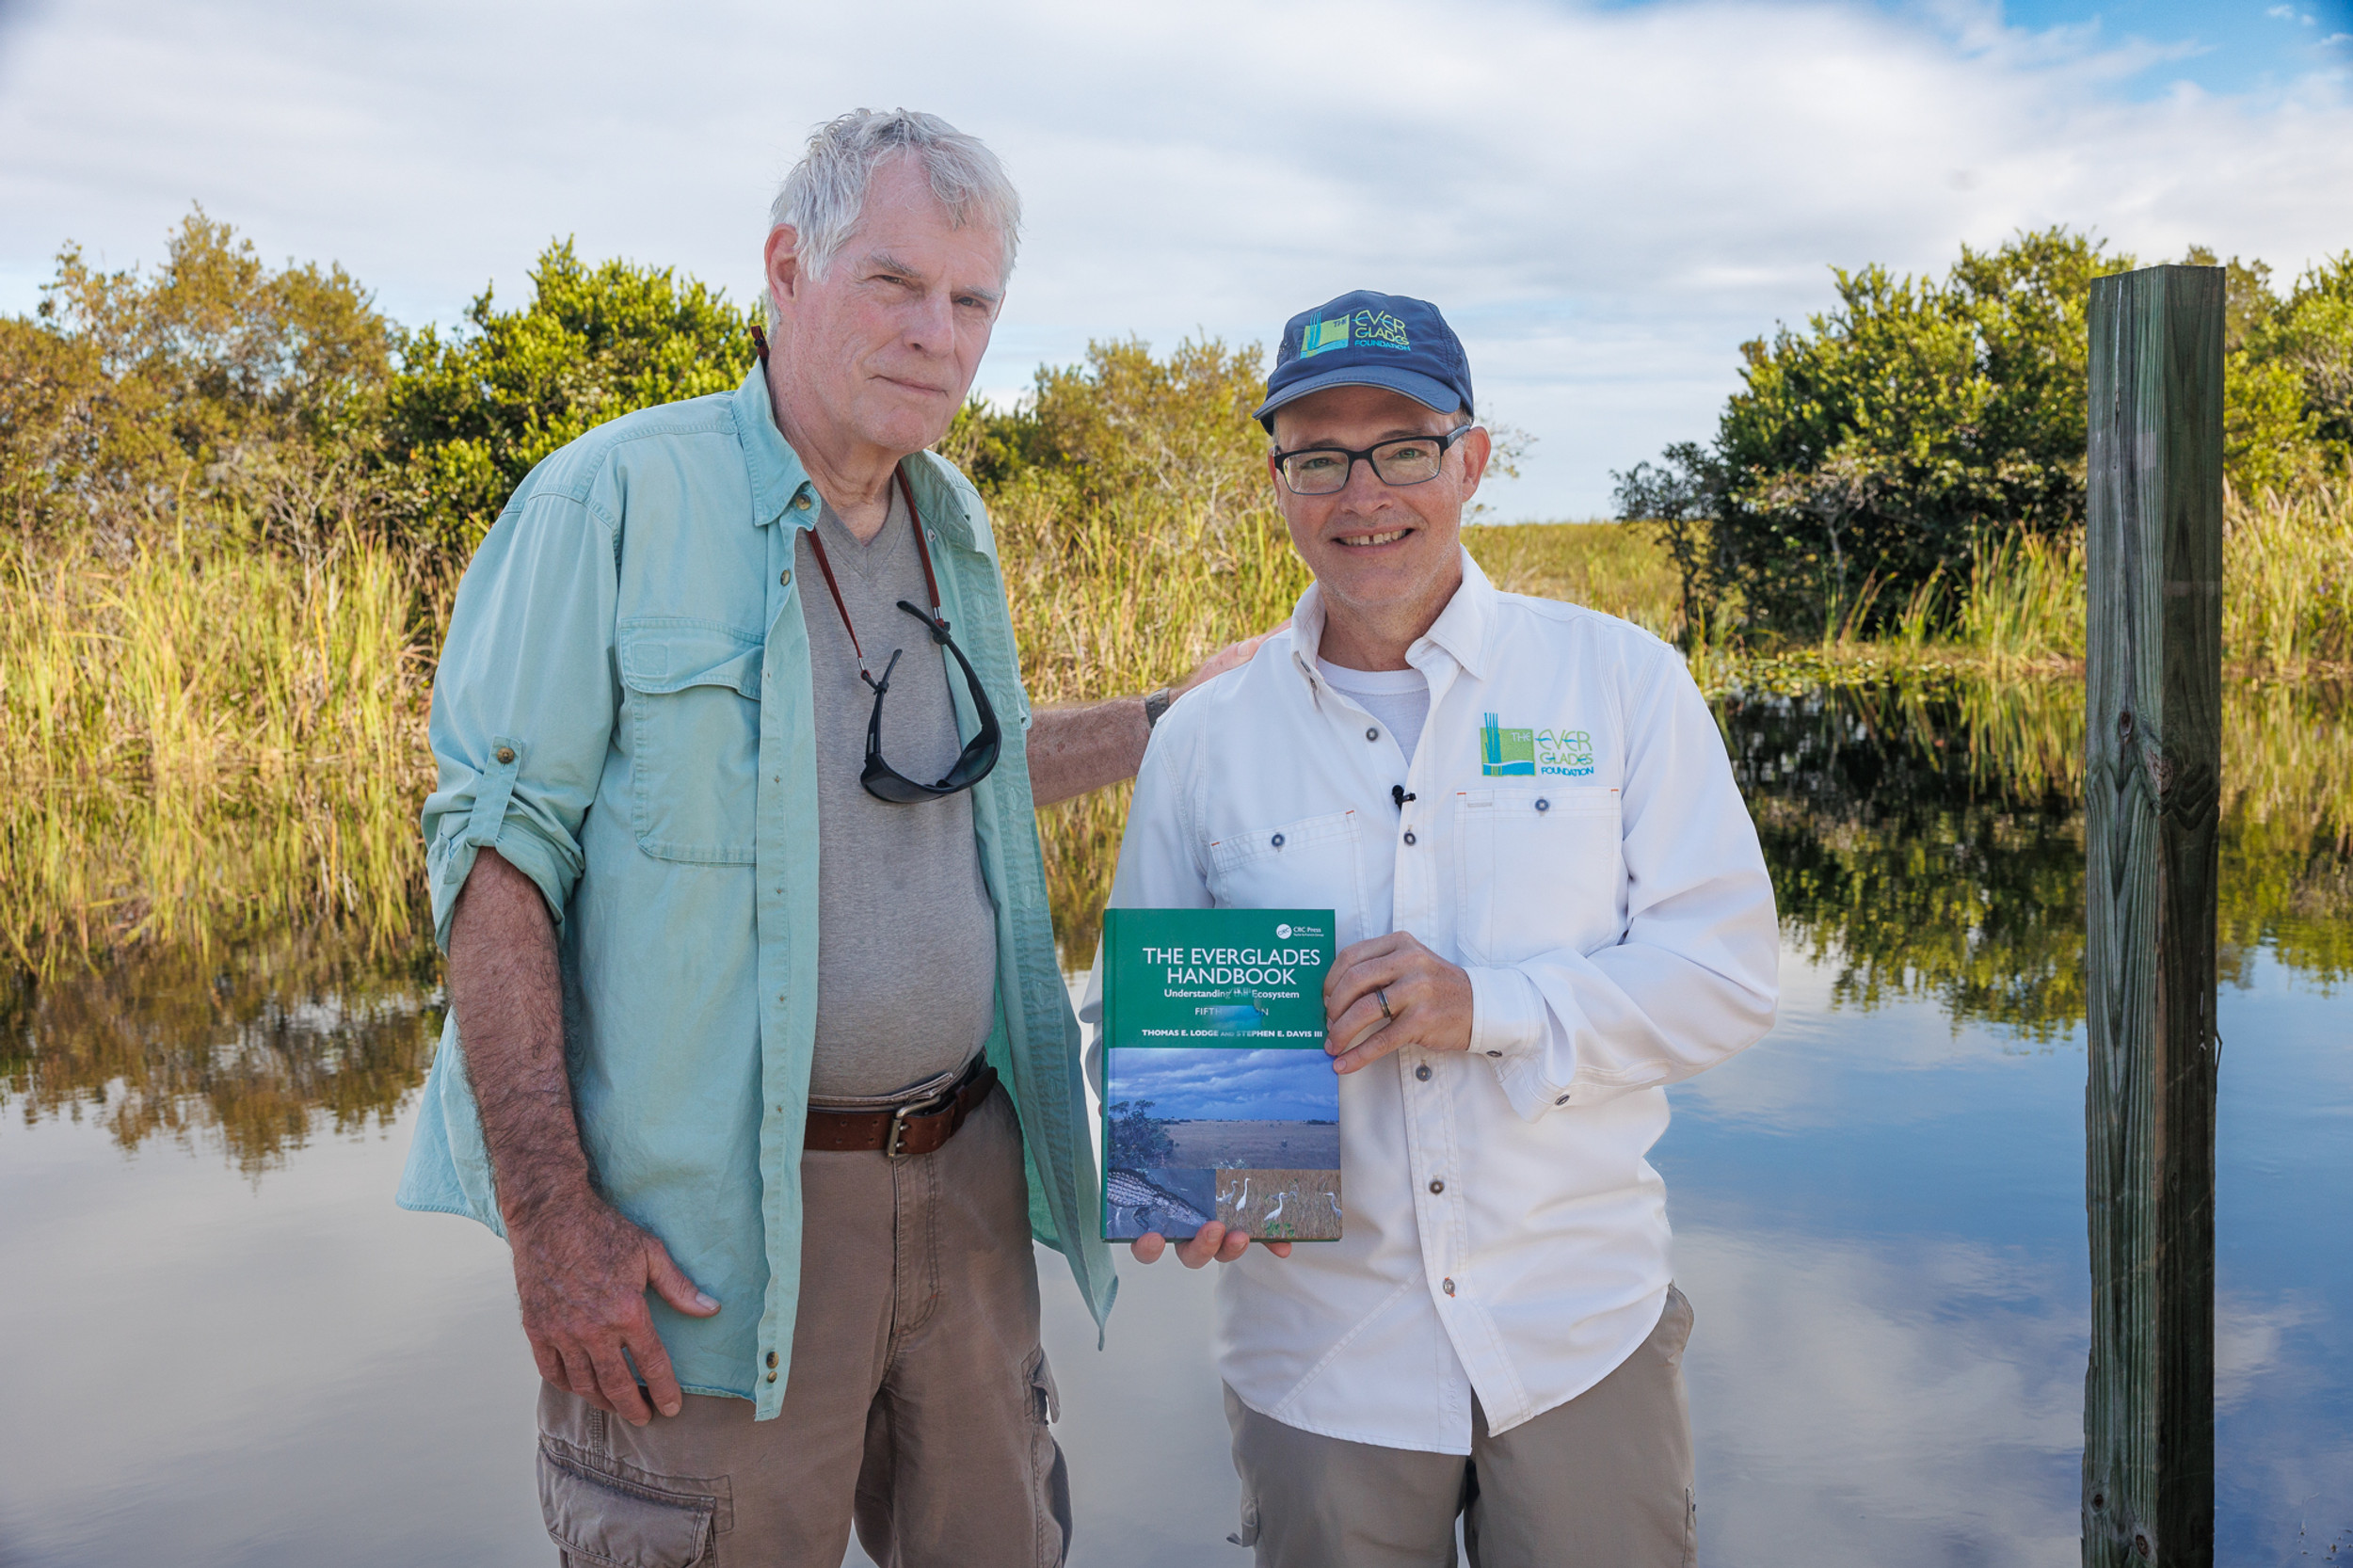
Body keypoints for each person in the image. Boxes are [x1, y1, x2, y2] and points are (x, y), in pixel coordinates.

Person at [398, 108, 1258, 1568]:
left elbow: (960, 778)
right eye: (895, 283)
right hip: (710, 1243)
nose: (939, 332)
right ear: (787, 268)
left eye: (972, 300)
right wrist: (554, 1217)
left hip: (967, 1195)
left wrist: (1178, 719)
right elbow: (496, 853)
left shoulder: (952, 522)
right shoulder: (613, 499)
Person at [1091, 290, 1780, 1566]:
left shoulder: (1622, 683)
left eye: (1403, 447)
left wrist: (1492, 1006)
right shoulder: (1201, 741)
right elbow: (1129, 1024)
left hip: (1582, 1336)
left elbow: (1726, 975)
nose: (1364, 494)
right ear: (1279, 480)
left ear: (1471, 458)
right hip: (1320, 1367)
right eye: (1318, 456)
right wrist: (1171, 1165)